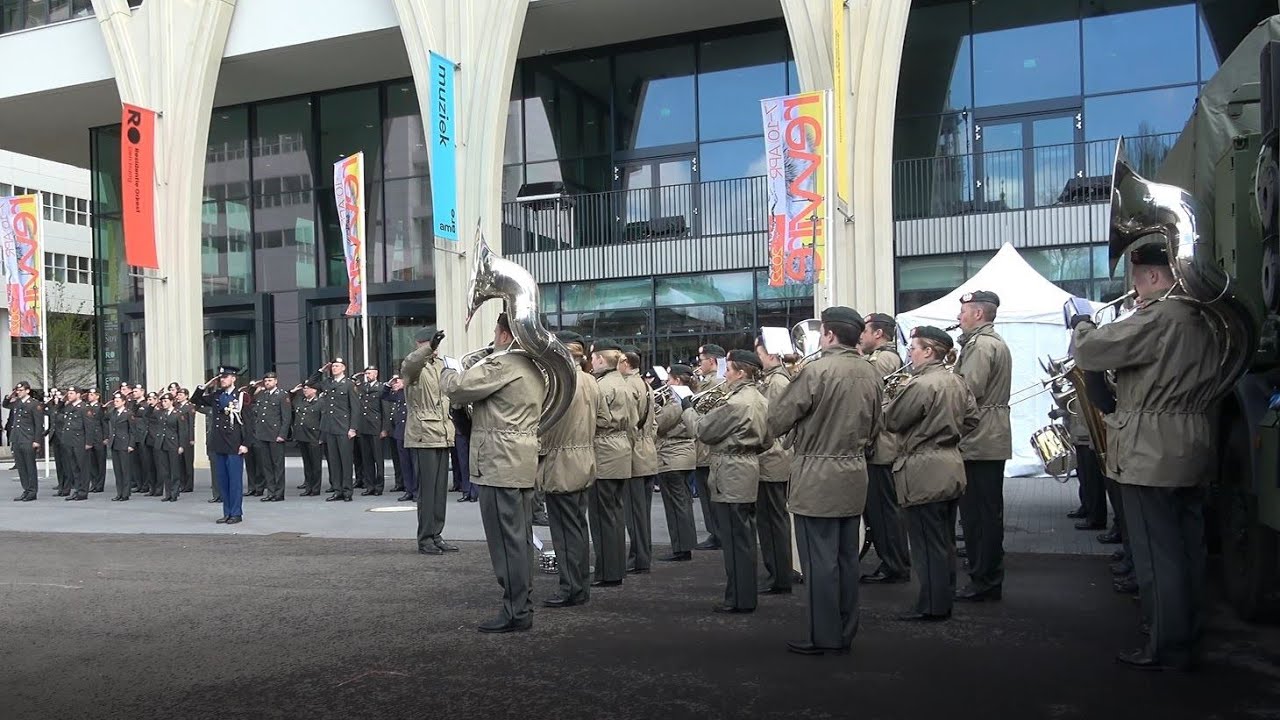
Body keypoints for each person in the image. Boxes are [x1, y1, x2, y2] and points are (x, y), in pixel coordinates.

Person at [1071, 241, 1216, 671]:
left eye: (1136, 280)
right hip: (1190, 438)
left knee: (1157, 554)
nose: (1133, 290)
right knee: (1189, 548)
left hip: (1150, 445)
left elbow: (1090, 351)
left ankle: (1165, 646)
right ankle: (1189, 636)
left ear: (1154, 276)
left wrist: (1081, 325)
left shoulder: (1158, 317)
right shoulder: (1201, 315)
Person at [768, 306, 883, 655]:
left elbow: (777, 420)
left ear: (830, 335)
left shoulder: (815, 371)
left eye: (821, 333)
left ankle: (824, 636)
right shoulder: (871, 372)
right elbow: (878, 428)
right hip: (853, 472)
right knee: (847, 559)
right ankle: (845, 631)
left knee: (819, 562)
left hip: (817, 473)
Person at [440, 313, 542, 633]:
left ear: (504, 334)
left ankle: (516, 610)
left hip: (500, 461)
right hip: (520, 458)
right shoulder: (534, 366)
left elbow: (457, 388)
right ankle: (521, 602)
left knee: (506, 541)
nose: (493, 337)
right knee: (521, 538)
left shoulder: (506, 364)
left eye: (495, 331)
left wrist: (447, 369)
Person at [884, 326, 978, 622]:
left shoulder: (922, 384)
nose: (909, 353)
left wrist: (892, 402)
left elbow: (893, 420)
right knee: (944, 540)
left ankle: (932, 605)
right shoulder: (957, 381)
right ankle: (943, 598)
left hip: (924, 468)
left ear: (929, 351)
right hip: (950, 464)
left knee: (926, 544)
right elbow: (973, 419)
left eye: (913, 348)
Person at [696, 349, 770, 614]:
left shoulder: (736, 402)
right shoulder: (760, 398)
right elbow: (769, 439)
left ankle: (738, 598)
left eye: (728, 369)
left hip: (730, 469)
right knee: (744, 538)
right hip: (748, 466)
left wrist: (690, 412)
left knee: (735, 541)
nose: (724, 374)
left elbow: (704, 430)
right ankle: (743, 596)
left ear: (740, 372)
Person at [953, 290, 1013, 602]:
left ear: (978, 314)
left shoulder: (980, 345)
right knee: (985, 513)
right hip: (989, 435)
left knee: (979, 515)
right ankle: (985, 575)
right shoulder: (991, 342)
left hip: (979, 437)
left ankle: (984, 578)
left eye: (963, 311)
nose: (958, 316)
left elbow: (968, 391)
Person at [537, 331, 599, 608]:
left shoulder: (557, 381)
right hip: (584, 458)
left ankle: (570, 587)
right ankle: (579, 586)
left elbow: (542, 423)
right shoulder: (590, 380)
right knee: (577, 527)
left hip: (561, 460)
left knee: (564, 531)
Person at [858, 312, 911, 585]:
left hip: (882, 446)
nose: (861, 337)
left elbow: (867, 399)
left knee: (883, 510)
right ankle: (895, 560)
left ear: (878, 334)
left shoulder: (883, 359)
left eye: (865, 331)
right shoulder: (882, 358)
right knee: (882, 510)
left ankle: (895, 564)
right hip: (883, 444)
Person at [401, 327, 458, 556]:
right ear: (419, 344)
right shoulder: (414, 367)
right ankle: (425, 537)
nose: (434, 348)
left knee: (440, 491)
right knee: (427, 492)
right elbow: (411, 364)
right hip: (423, 433)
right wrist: (428, 349)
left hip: (443, 432)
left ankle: (436, 534)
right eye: (428, 343)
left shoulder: (440, 366)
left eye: (435, 344)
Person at [589, 338, 637, 589]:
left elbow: (595, 419)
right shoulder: (624, 382)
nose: (591, 362)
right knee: (615, 514)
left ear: (599, 359)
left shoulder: (602, 386)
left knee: (601, 516)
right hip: (621, 449)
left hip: (604, 449)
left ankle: (607, 572)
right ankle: (616, 568)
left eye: (593, 358)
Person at [754, 336, 795, 594]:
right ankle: (777, 573)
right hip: (773, 454)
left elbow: (775, 420)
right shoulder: (775, 379)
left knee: (773, 520)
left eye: (759, 354)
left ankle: (780, 576)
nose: (758, 358)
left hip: (773, 455)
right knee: (769, 520)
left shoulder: (777, 381)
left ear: (770, 355)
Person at [192, 366, 250, 524]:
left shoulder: (241, 396)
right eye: (221, 377)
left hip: (234, 444)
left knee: (234, 481)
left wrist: (245, 443)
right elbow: (195, 400)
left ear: (234, 379)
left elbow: (248, 422)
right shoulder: (217, 395)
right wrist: (204, 386)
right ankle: (227, 512)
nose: (222, 380)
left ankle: (236, 513)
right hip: (218, 443)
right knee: (222, 481)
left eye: (226, 377)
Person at [654, 364, 698, 562]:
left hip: (672, 455)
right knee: (683, 502)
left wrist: (653, 407)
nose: (667, 383)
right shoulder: (692, 396)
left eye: (670, 379)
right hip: (684, 454)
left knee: (676, 505)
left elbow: (660, 424)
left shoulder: (676, 401)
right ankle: (685, 545)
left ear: (678, 381)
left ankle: (682, 548)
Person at [621, 345, 658, 575]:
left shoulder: (629, 385)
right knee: (642, 512)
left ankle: (639, 558)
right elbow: (652, 424)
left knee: (634, 514)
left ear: (626, 363)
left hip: (635, 453)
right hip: (647, 451)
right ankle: (643, 554)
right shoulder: (645, 385)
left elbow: (630, 424)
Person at [308, 358, 360, 502]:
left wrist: (353, 428)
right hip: (330, 427)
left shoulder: (349, 384)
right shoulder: (328, 383)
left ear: (344, 368)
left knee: (346, 460)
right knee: (334, 461)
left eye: (337, 366)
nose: (334, 368)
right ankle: (337, 490)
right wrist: (320, 371)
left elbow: (355, 408)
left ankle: (347, 491)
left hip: (344, 427)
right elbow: (310, 383)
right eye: (333, 366)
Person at [691, 343, 726, 550]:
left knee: (709, 496)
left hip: (707, 447)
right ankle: (716, 532)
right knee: (707, 495)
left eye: (701, 360)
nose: (698, 364)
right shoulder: (710, 381)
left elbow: (704, 413)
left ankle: (717, 533)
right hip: (705, 446)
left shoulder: (715, 383)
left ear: (711, 361)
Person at [248, 372, 292, 502]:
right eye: (266, 381)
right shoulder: (262, 394)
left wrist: (282, 434)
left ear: (276, 381)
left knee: (277, 465)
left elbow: (286, 417)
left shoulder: (282, 395)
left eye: (270, 380)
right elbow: (251, 405)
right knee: (266, 465)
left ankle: (279, 492)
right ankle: (271, 491)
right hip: (263, 434)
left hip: (275, 434)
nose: (267, 383)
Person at [4, 382, 44, 501]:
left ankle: (32, 491)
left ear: (27, 391)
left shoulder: (34, 404)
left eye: (21, 390)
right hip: (17, 438)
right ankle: (26, 489)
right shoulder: (16, 402)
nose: (18, 392)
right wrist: (9, 396)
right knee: (21, 466)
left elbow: (38, 424)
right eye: (17, 390)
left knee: (29, 466)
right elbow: (5, 404)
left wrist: (37, 440)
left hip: (28, 439)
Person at [55, 386, 91, 502]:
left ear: (78, 394)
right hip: (69, 441)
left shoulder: (84, 408)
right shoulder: (69, 407)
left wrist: (89, 442)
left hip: (80, 441)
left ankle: (83, 492)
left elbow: (89, 426)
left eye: (71, 393)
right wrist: (61, 400)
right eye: (68, 393)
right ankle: (77, 490)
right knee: (74, 468)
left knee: (82, 467)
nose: (69, 395)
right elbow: (57, 411)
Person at [381, 376, 414, 502]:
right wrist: (388, 385)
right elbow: (384, 396)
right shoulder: (398, 394)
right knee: (404, 464)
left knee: (414, 464)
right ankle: (409, 490)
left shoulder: (410, 392)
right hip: (400, 433)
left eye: (397, 382)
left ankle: (416, 491)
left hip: (411, 432)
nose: (395, 384)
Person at [155, 393, 191, 501]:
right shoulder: (161, 413)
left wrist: (181, 445)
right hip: (162, 443)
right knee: (165, 470)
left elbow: (182, 431)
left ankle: (175, 492)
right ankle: (168, 493)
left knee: (174, 469)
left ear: (171, 401)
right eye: (162, 401)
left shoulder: (178, 414)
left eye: (166, 401)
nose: (163, 403)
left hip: (173, 443)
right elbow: (148, 414)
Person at [355, 365, 385, 496]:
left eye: (370, 373)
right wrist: (358, 376)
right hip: (364, 427)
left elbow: (385, 409)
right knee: (366, 459)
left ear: (376, 374)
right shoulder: (363, 387)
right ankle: (370, 485)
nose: (368, 375)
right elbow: (353, 382)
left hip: (376, 427)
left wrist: (384, 428)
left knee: (378, 459)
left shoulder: (381, 388)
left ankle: (379, 486)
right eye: (366, 373)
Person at [290, 381, 324, 496]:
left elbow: (323, 420)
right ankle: (308, 487)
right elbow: (289, 401)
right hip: (302, 436)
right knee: (307, 464)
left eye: (308, 388)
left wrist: (322, 437)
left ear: (314, 390)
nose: (305, 390)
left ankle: (315, 488)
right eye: (304, 388)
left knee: (315, 464)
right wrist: (293, 391)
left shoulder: (320, 402)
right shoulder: (300, 401)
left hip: (314, 436)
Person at [106, 392, 135, 501]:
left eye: (118, 401)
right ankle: (119, 492)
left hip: (124, 443)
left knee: (125, 469)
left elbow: (132, 430)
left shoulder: (128, 413)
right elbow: (104, 417)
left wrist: (131, 444)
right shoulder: (113, 412)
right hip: (115, 443)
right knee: (117, 470)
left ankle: (126, 493)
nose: (115, 403)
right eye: (114, 401)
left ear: (124, 402)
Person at [84, 388, 106, 493]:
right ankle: (94, 483)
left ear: (97, 396)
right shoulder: (86, 407)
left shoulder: (101, 408)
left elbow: (104, 423)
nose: (90, 396)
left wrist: (106, 437)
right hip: (90, 436)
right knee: (91, 462)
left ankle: (100, 485)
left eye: (93, 394)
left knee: (100, 462)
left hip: (99, 436)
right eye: (89, 394)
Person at [175, 388, 197, 493]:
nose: (178, 396)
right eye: (178, 394)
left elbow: (191, 424)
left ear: (186, 396)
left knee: (188, 462)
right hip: (179, 438)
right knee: (180, 462)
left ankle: (188, 485)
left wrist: (192, 438)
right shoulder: (177, 406)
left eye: (181, 394)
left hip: (187, 437)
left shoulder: (190, 407)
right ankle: (182, 483)